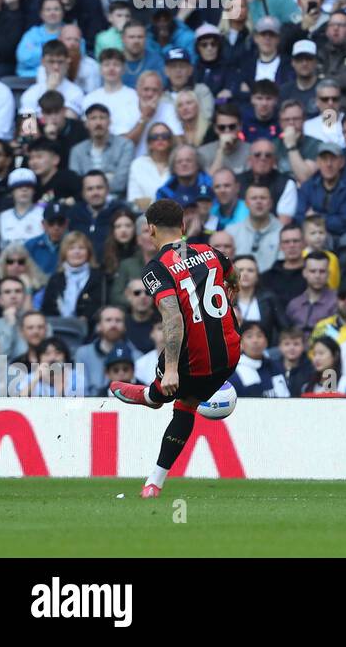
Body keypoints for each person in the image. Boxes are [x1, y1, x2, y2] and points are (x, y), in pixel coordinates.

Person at [106, 199, 242, 499]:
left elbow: (171, 314)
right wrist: (235, 289)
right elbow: (233, 274)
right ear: (183, 226)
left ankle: (149, 395)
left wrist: (169, 370)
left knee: (166, 392)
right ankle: (153, 483)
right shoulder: (210, 252)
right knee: (187, 405)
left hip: (194, 362)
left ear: (150, 230)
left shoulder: (155, 268)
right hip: (231, 355)